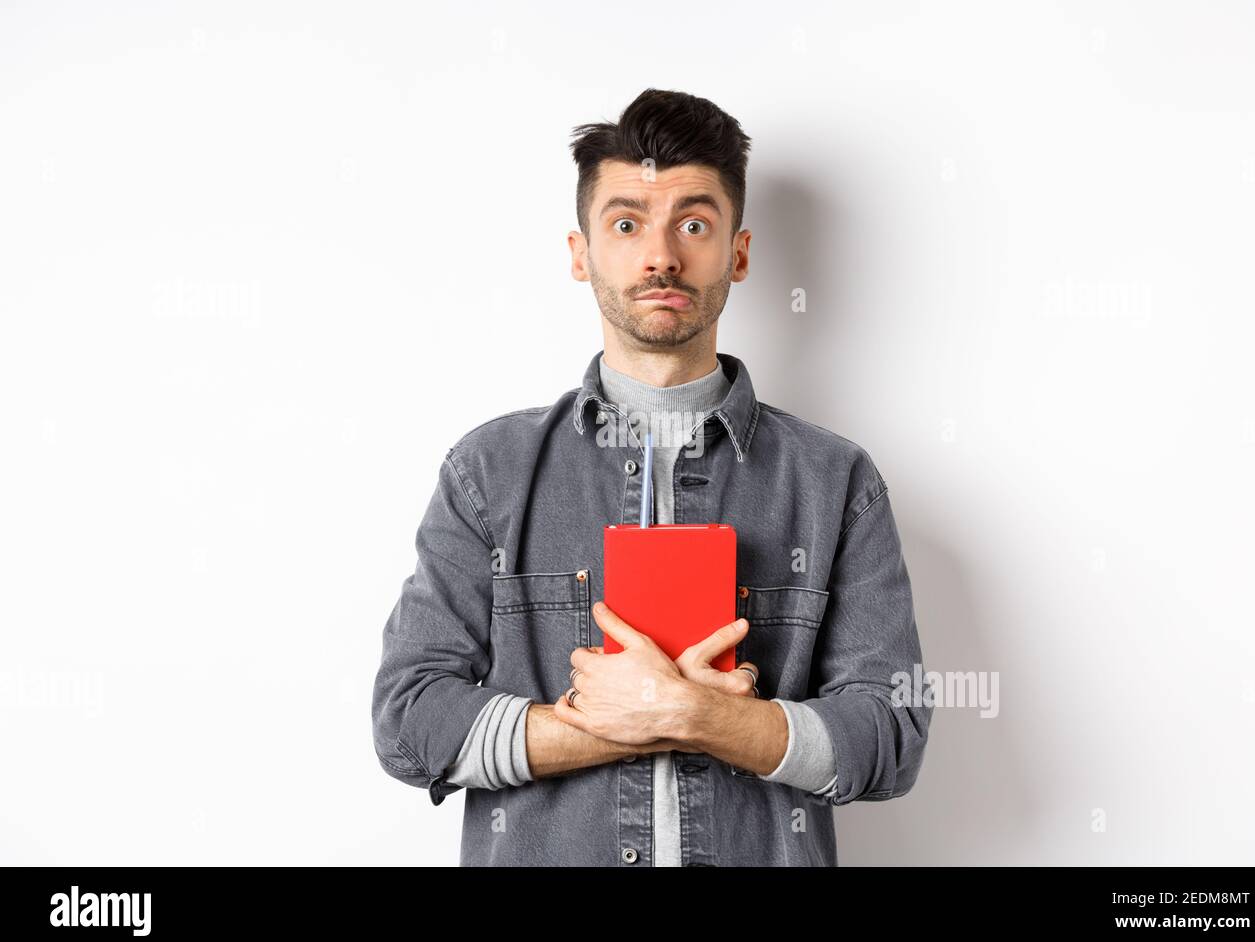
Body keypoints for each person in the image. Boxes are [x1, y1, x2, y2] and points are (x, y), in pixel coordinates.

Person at [371, 88, 931, 866]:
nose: (661, 255)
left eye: (693, 224)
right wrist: (616, 718)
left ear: (737, 252)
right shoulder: (487, 474)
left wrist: (696, 716)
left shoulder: (836, 481)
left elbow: (893, 735)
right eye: (626, 223)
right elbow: (407, 721)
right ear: (581, 253)